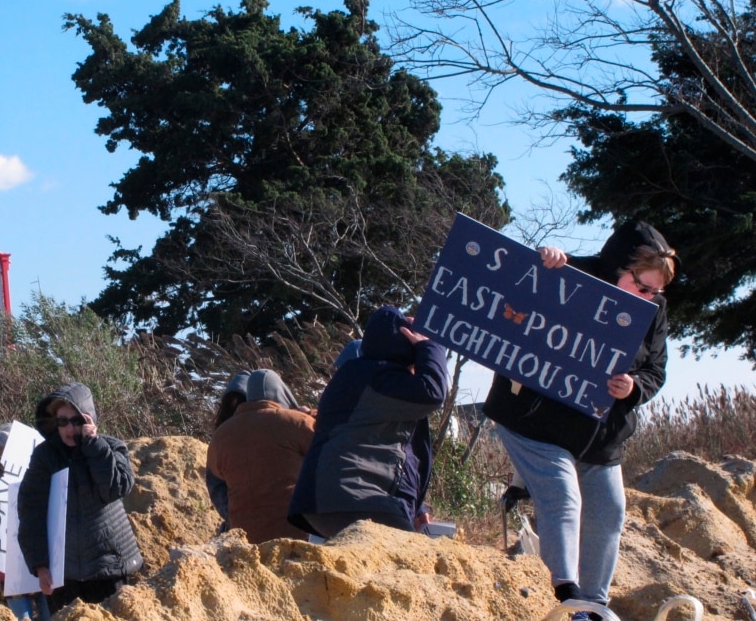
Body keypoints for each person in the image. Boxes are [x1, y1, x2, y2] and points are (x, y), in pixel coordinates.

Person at [482, 220, 679, 614]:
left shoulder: (654, 309)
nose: (648, 297)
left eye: (656, 291)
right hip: (536, 423)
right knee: (563, 498)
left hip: (600, 434)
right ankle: (563, 599)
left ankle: (592, 606)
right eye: (642, 287)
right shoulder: (569, 274)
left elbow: (656, 369)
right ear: (620, 267)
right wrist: (545, 262)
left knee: (609, 511)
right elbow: (515, 307)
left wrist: (634, 386)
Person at [289, 306, 448, 538]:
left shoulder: (358, 379)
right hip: (360, 498)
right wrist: (430, 346)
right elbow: (432, 392)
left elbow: (396, 455)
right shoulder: (377, 378)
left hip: (324, 502)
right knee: (406, 566)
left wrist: (415, 507)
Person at [18, 383, 143, 612]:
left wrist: (94, 446)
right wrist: (40, 565)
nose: (69, 428)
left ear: (89, 420)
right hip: (64, 573)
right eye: (62, 421)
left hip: (107, 568)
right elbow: (30, 511)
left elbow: (115, 488)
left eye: (76, 420)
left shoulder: (111, 447)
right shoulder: (44, 456)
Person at [206, 369, 315, 543]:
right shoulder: (297, 422)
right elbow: (327, 446)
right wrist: (309, 414)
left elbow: (216, 482)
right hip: (297, 532)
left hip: (245, 536)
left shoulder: (220, 436)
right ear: (281, 391)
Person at [0, 423, 50, 621]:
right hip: (8, 562)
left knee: (51, 611)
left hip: (42, 556)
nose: (2, 453)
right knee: (20, 616)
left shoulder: (42, 471)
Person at [205, 370, 250, 531]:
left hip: (238, 522)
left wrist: (233, 518)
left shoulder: (220, 438)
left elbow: (216, 487)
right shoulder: (274, 428)